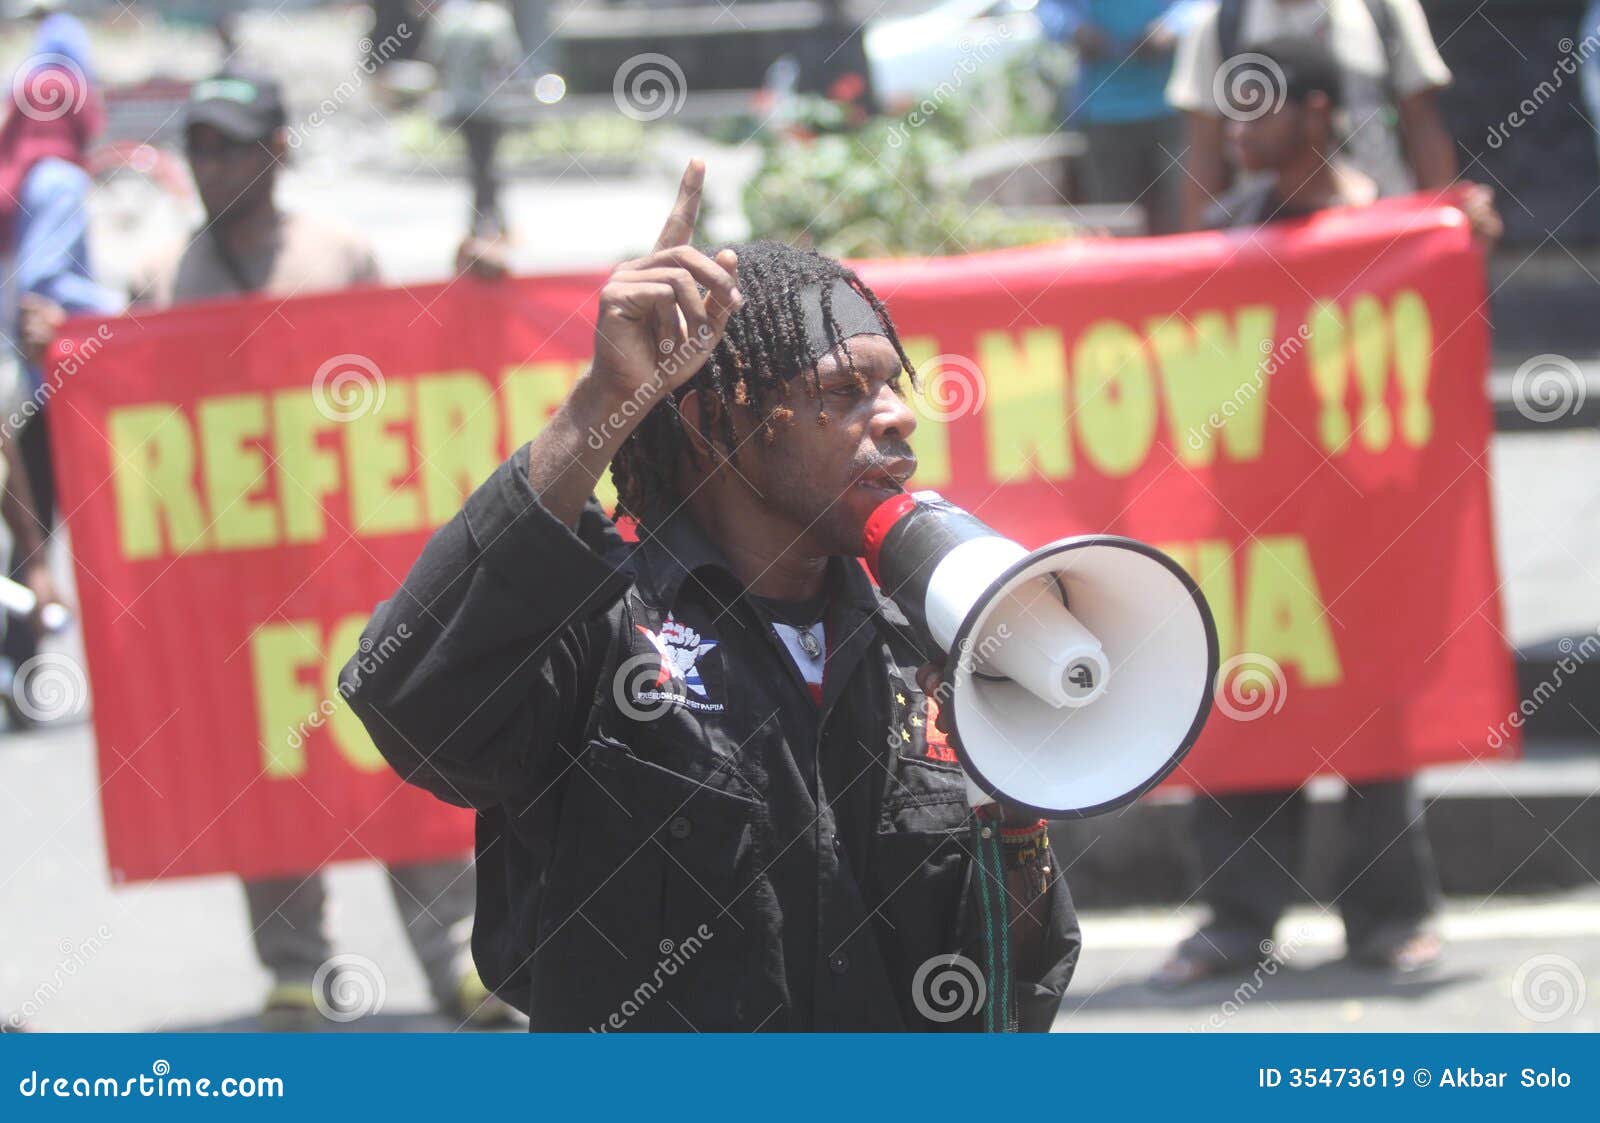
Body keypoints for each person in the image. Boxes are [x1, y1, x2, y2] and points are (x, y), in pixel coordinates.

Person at [340, 159, 1082, 1032]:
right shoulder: (599, 629)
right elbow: (410, 705)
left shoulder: (924, 645)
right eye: (843, 391)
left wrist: (1020, 817)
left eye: (891, 385)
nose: (896, 415)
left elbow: (1012, 986)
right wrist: (603, 403)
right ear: (712, 424)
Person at [122, 70, 505, 1029]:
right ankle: (296, 964)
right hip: (231, 574)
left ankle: (457, 954)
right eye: (200, 146)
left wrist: (477, 298)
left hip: (341, 564)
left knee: (392, 744)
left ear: (279, 149)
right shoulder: (162, 278)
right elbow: (121, 416)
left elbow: (413, 368)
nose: (213, 165)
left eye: (233, 145)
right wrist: (65, 350)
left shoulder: (340, 255)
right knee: (265, 762)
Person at [1153, 37, 1499, 988]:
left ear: (1313, 113)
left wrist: (1461, 246)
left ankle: (1390, 916)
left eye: (1252, 109)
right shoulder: (1225, 230)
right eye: (1227, 111)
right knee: (1246, 703)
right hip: (1254, 521)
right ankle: (1235, 920)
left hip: (1369, 522)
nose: (1233, 132)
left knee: (1375, 717)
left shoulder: (1396, 229)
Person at [2, 27, 120, 717]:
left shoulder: (13, 170)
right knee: (100, 532)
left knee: (27, 532)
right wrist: (126, 310)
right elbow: (46, 284)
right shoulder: (60, 179)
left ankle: (20, 673)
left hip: (14, 389)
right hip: (54, 384)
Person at [1166, 0, 1460, 231]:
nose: (1239, 131)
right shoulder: (1218, 26)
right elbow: (1204, 153)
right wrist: (1201, 263)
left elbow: (1423, 126)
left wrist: (1442, 227)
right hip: (1259, 238)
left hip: (1382, 228)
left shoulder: (1385, 10)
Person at [1037, 0, 1210, 234]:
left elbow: (1202, 6)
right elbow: (1049, 9)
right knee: (1115, 224)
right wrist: (1075, 30)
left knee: (1181, 217)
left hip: (1172, 109)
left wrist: (1171, 28)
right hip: (1103, 114)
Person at [424, 0, 518, 237]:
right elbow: (506, 60)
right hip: (489, 105)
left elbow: (437, 60)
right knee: (486, 163)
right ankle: (490, 220)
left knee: (477, 163)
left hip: (461, 104)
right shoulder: (496, 19)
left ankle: (484, 218)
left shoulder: (447, 19)